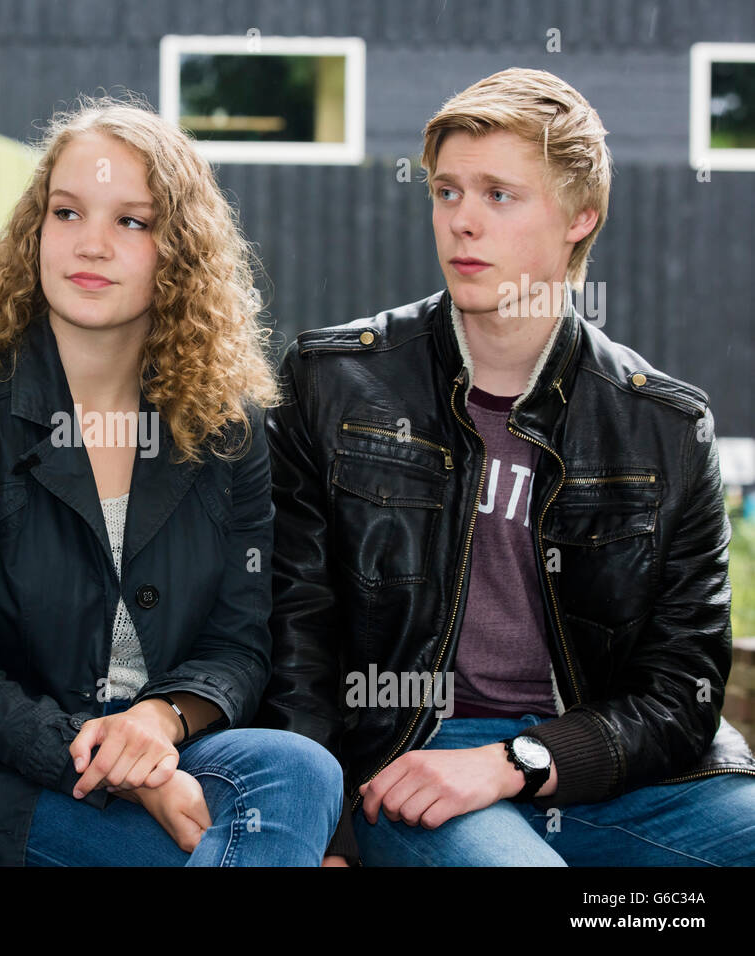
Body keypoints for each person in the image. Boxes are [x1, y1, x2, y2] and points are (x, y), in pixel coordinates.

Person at [258, 67, 755, 866]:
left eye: (499, 195)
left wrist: (521, 762)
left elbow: (681, 692)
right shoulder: (333, 383)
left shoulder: (664, 426)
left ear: (579, 217)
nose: (462, 223)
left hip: (601, 764)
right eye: (447, 192)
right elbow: (295, 637)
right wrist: (322, 826)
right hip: (414, 751)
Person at [0, 96, 343, 866]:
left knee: (301, 770)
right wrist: (125, 772)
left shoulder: (228, 427)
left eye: (131, 222)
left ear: (180, 250)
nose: (90, 244)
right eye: (67, 212)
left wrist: (158, 721)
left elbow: (239, 644)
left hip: (156, 752)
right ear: (35, 230)